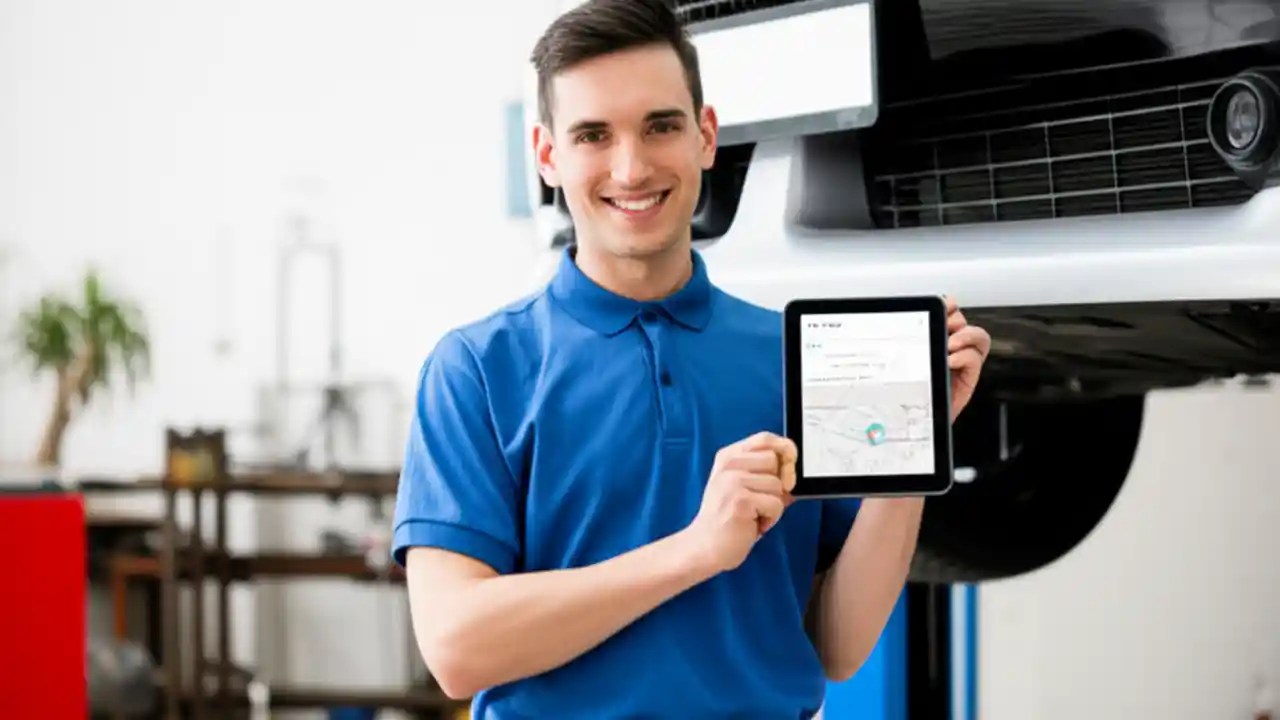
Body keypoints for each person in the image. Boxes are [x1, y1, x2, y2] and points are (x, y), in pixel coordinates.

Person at [391, 0, 992, 717]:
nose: (631, 167)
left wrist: (910, 445)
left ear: (706, 136)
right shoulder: (477, 370)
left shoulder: (790, 355)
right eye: (593, 135)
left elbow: (835, 646)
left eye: (661, 126)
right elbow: (457, 647)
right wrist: (696, 550)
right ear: (548, 156)